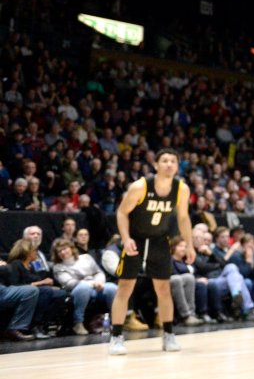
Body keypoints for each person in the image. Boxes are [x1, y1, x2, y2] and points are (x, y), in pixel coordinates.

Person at [108, 148, 194, 355]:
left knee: (164, 289)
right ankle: (116, 336)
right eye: (164, 160)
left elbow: (183, 218)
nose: (169, 164)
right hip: (135, 239)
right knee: (125, 287)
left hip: (159, 241)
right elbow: (122, 213)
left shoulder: (181, 189)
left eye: (173, 161)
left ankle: (168, 335)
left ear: (177, 166)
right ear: (156, 165)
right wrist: (126, 239)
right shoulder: (140, 186)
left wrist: (190, 244)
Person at [50, 237, 116, 335]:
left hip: (96, 286)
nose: (63, 252)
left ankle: (115, 321)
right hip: (76, 290)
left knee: (112, 288)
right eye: (59, 251)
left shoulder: (86, 257)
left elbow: (98, 272)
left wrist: (99, 282)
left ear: (71, 248)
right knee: (83, 288)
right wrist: (91, 283)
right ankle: (78, 323)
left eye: (65, 249)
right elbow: (69, 283)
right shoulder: (58, 267)